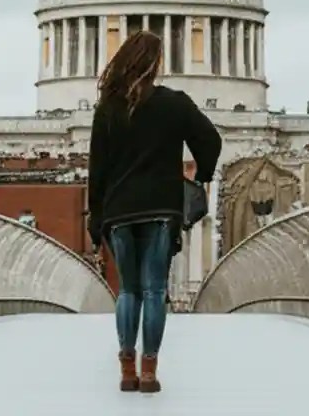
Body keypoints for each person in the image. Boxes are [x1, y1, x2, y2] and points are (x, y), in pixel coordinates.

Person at [87, 30, 222, 394]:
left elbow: (96, 170)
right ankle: (149, 372)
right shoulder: (174, 103)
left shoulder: (108, 109)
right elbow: (210, 140)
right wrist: (202, 177)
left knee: (128, 291)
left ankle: (126, 368)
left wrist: (94, 218)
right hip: (161, 208)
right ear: (155, 64)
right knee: (154, 290)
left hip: (119, 211)